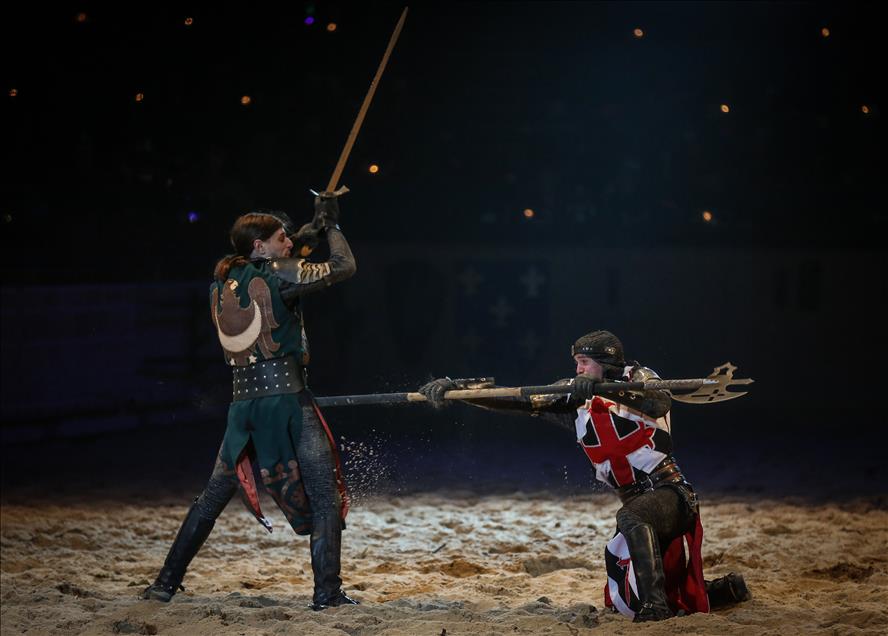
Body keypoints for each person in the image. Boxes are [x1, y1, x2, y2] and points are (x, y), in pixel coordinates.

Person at [418, 329, 750, 622]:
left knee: (632, 519)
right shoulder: (575, 393)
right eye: (576, 361)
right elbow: (519, 398)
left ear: (606, 363)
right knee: (624, 596)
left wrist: (604, 390)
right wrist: (459, 390)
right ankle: (722, 592)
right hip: (637, 503)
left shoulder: (640, 376)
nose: (578, 369)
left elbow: (658, 403)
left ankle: (656, 607)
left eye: (584, 362)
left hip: (671, 494)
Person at [141, 192, 358, 610]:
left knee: (211, 498)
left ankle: (165, 584)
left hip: (245, 407)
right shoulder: (279, 274)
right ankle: (327, 593)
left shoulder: (222, 282)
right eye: (282, 239)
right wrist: (331, 227)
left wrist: (305, 230)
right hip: (289, 404)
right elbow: (344, 266)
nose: (289, 244)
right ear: (260, 246)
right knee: (324, 494)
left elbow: (273, 263)